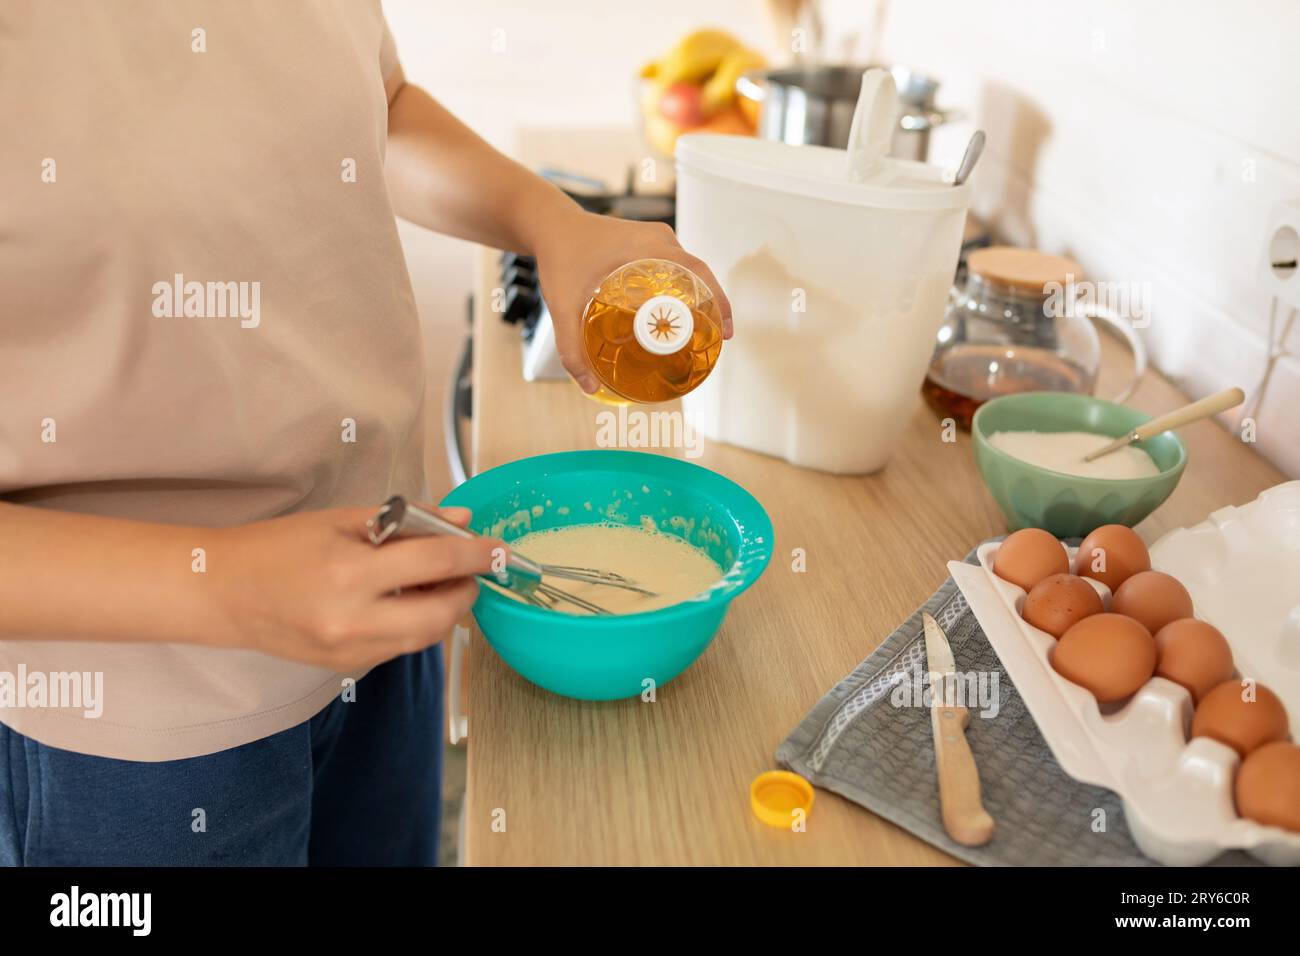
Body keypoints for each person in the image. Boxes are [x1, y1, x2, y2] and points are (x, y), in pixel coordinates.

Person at [0, 1, 731, 865]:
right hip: (138, 734)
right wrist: (224, 585)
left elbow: (374, 112)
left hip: (383, 604)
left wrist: (553, 221)